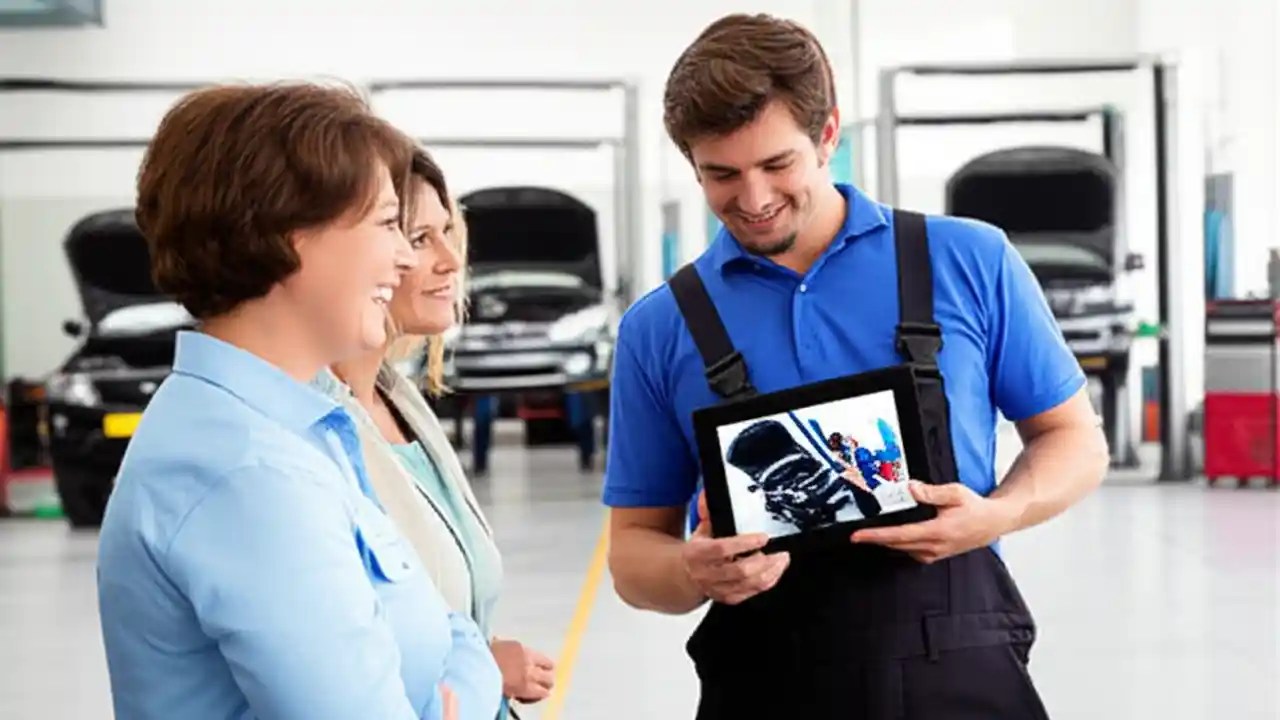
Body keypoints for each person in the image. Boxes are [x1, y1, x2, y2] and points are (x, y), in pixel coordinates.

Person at [602, 13, 1109, 718]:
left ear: (829, 134)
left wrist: (995, 515)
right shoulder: (660, 327)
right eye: (720, 174)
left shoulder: (968, 260)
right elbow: (632, 555)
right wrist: (690, 572)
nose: (752, 200)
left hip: (958, 675)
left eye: (777, 165)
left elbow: (1074, 440)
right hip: (766, 686)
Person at [95, 81, 501, 720]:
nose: (404, 257)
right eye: (389, 225)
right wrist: (468, 690)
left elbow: (455, 631)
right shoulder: (245, 471)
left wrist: (459, 687)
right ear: (289, 236)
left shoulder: (302, 430)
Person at [318, 147, 556, 714]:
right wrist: (484, 667)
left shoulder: (400, 400)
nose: (452, 260)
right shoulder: (319, 430)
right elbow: (334, 660)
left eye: (447, 232)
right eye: (419, 239)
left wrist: (480, 655)